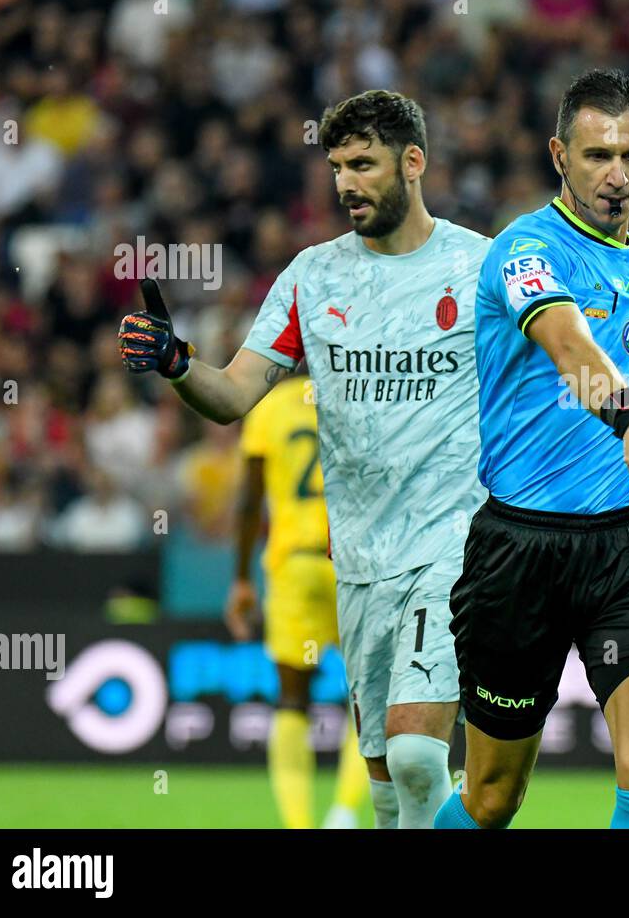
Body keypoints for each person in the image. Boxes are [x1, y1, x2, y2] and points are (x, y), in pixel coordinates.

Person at [119, 90, 490, 828]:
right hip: (353, 560)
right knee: (386, 786)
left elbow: (548, 380)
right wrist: (176, 360)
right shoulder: (311, 279)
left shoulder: (480, 268)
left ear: (414, 162)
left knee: (420, 761)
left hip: (451, 549)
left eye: (364, 164)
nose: (347, 183)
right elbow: (231, 396)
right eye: (337, 167)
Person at [435, 69, 629, 830]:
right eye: (596, 156)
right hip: (521, 552)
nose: (617, 176)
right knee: (492, 797)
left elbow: (623, 383)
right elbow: (568, 344)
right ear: (559, 154)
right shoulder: (525, 250)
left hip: (627, 544)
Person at [224, 368, 370, 829]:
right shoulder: (356, 394)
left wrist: (242, 579)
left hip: (295, 563)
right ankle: (345, 811)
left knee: (291, 698)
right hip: (354, 559)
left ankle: (299, 825)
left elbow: (249, 501)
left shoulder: (268, 407)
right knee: (368, 696)